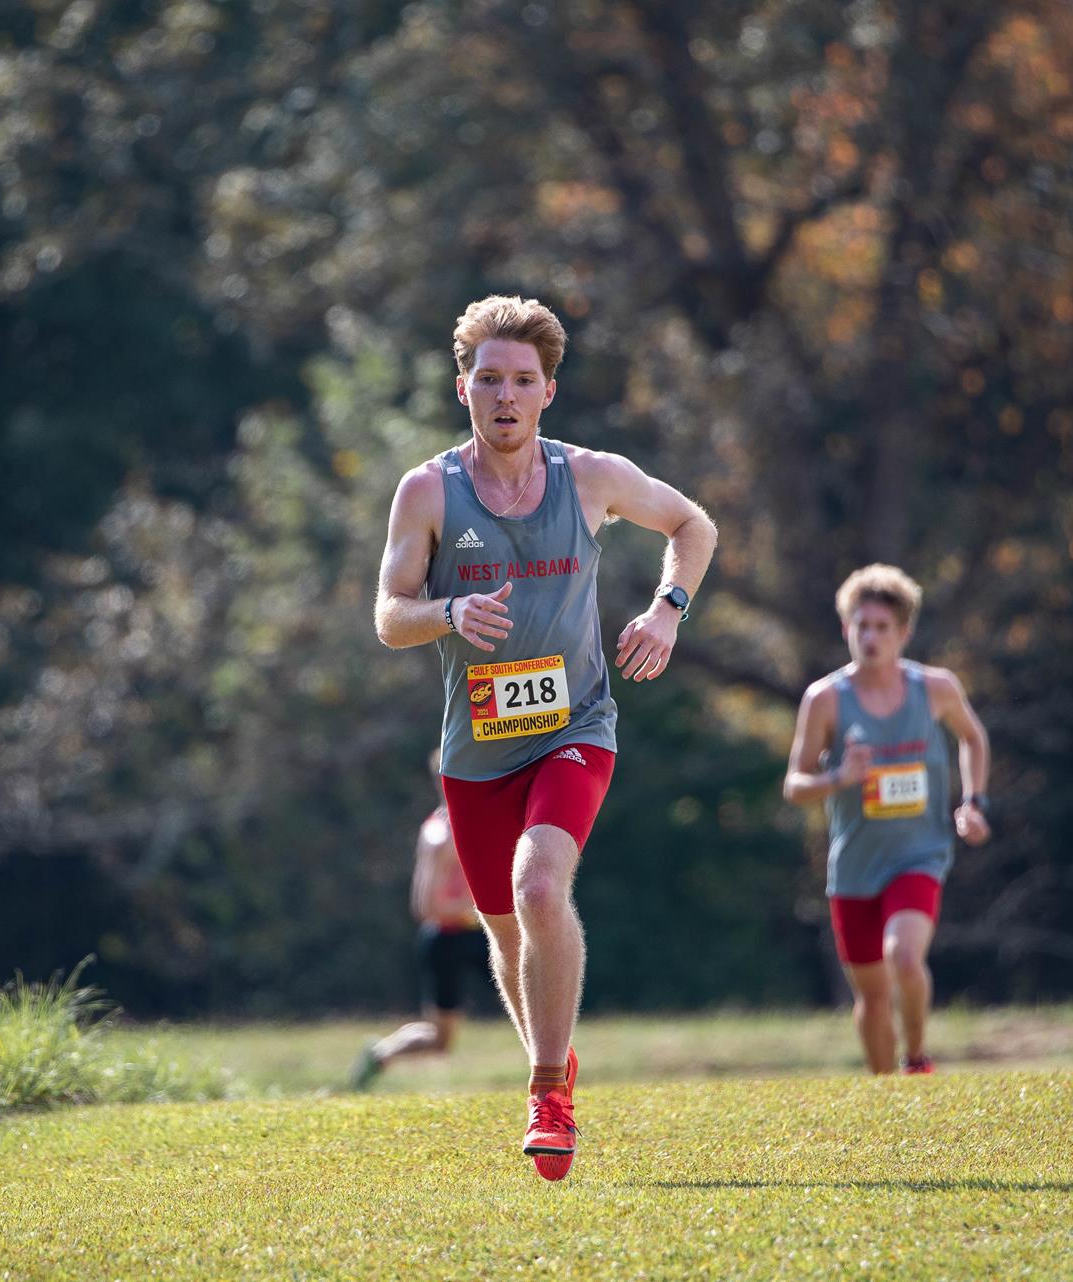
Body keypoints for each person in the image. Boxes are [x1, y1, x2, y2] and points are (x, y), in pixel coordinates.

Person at [374, 295, 718, 1181]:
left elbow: (693, 524)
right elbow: (387, 615)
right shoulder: (428, 491)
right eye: (488, 378)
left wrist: (667, 610)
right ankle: (557, 1060)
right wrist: (448, 610)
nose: (505, 395)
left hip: (577, 726)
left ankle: (547, 1095)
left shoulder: (591, 477)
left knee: (538, 884)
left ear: (548, 392)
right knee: (504, 932)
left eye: (522, 380)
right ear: (463, 389)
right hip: (477, 749)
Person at [782, 564, 991, 1074]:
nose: (871, 636)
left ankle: (917, 1059)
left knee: (904, 957)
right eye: (862, 625)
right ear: (846, 629)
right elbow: (794, 785)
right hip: (854, 866)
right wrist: (838, 779)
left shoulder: (936, 688)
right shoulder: (826, 699)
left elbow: (973, 737)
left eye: (882, 626)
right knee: (872, 998)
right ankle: (884, 1096)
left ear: (904, 632)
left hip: (920, 853)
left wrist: (974, 801)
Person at [349, 755, 489, 1090]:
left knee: (533, 998)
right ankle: (380, 1054)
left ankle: (552, 1080)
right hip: (446, 940)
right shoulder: (439, 834)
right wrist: (477, 905)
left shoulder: (480, 819)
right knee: (441, 1041)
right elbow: (425, 907)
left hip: (481, 933)